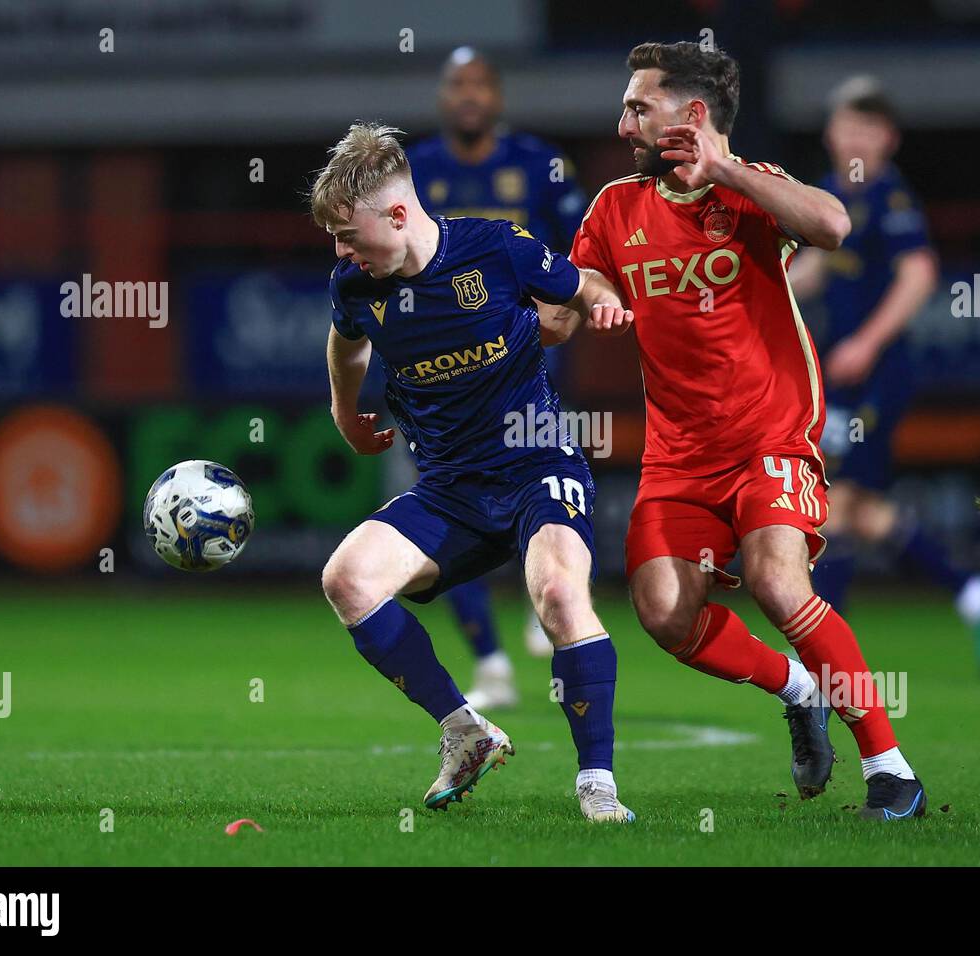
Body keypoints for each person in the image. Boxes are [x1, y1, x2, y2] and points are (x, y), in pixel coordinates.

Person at [557, 42, 925, 818]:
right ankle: (797, 690)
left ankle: (892, 771)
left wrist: (724, 170)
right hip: (677, 458)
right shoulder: (616, 206)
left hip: (770, 435)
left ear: (691, 117)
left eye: (638, 107)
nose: (622, 121)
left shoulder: (753, 190)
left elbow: (832, 222)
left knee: (777, 582)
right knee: (663, 611)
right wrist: (589, 296)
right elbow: (576, 284)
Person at [313, 123, 635, 822]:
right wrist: (345, 414)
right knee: (348, 580)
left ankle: (597, 785)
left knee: (555, 591)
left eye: (348, 233)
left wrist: (600, 306)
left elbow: (583, 287)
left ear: (398, 214)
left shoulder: (495, 249)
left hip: (537, 464)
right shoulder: (355, 284)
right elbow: (345, 345)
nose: (341, 251)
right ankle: (465, 731)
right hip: (450, 491)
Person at [788, 76, 980, 676]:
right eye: (845, 126)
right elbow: (813, 270)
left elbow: (919, 274)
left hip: (877, 373)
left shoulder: (890, 197)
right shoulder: (836, 194)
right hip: (842, 374)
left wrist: (866, 341)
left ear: (887, 138)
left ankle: (821, 656)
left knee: (829, 504)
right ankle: (976, 596)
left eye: (867, 128)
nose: (853, 139)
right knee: (863, 511)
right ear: (831, 133)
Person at [402, 47, 593, 707]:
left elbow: (584, 249)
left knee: (526, 489)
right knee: (451, 500)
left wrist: (563, 304)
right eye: (457, 85)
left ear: (498, 97)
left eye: (481, 84)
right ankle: (491, 664)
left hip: (524, 363)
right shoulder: (416, 169)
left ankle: (546, 599)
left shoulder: (540, 163)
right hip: (440, 372)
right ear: (442, 96)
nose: (469, 96)